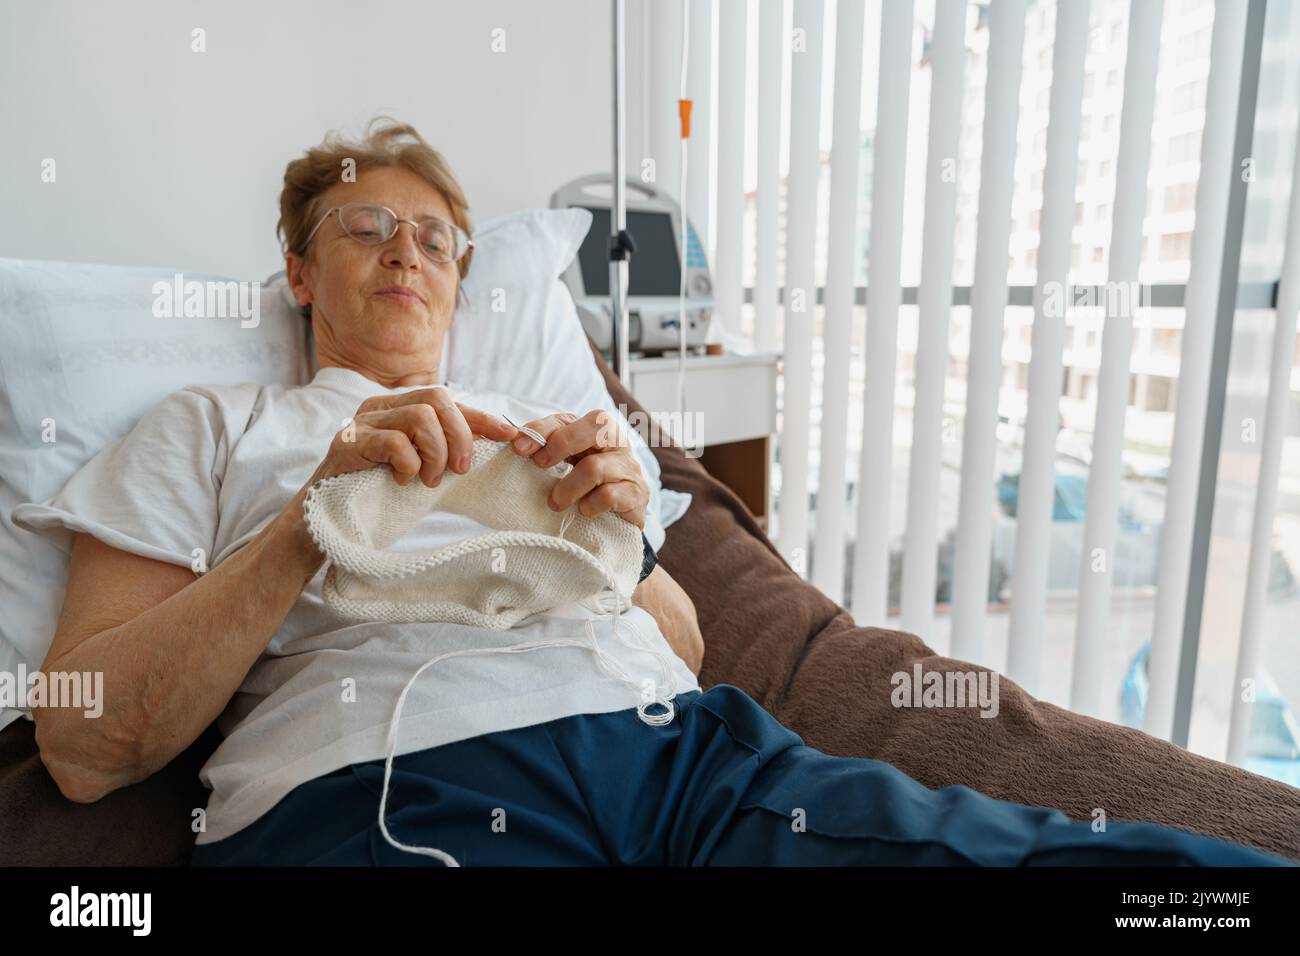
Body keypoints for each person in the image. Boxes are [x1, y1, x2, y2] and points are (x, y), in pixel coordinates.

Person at [19, 118, 1292, 867]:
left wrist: (625, 538)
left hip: (688, 761)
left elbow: (678, 643)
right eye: (364, 228)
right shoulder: (208, 426)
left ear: (464, 284)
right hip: (395, 786)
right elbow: (83, 744)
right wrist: (309, 524)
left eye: (435, 239)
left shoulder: (544, 429)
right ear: (298, 271)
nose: (407, 251)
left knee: (1108, 871)